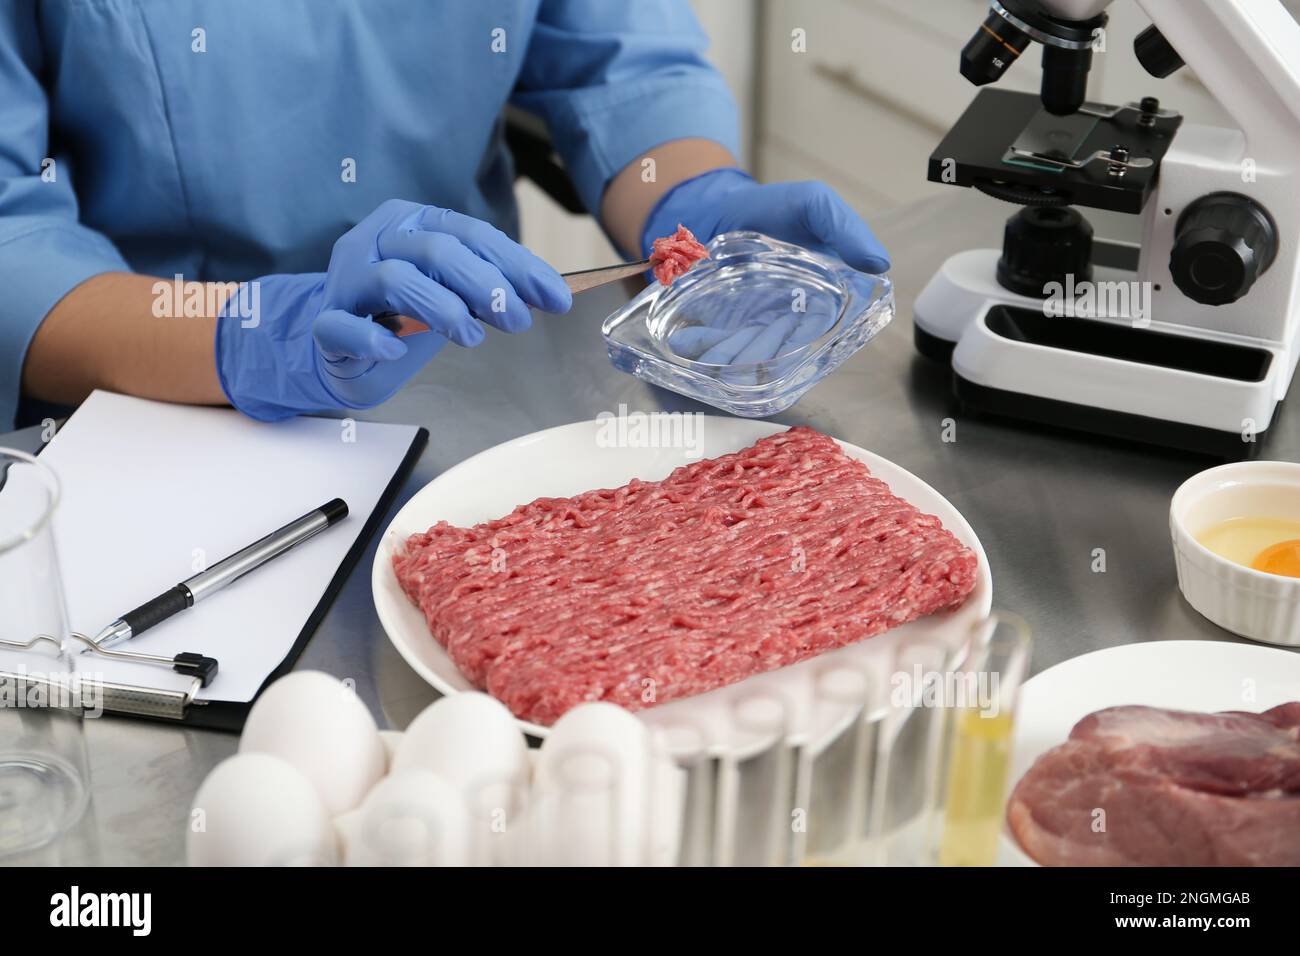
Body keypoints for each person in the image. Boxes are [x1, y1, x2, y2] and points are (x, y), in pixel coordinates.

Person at [0, 1, 889, 429]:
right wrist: (254, 336)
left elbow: (625, 69)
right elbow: (13, 245)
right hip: (152, 394)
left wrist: (691, 201)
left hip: (473, 370)